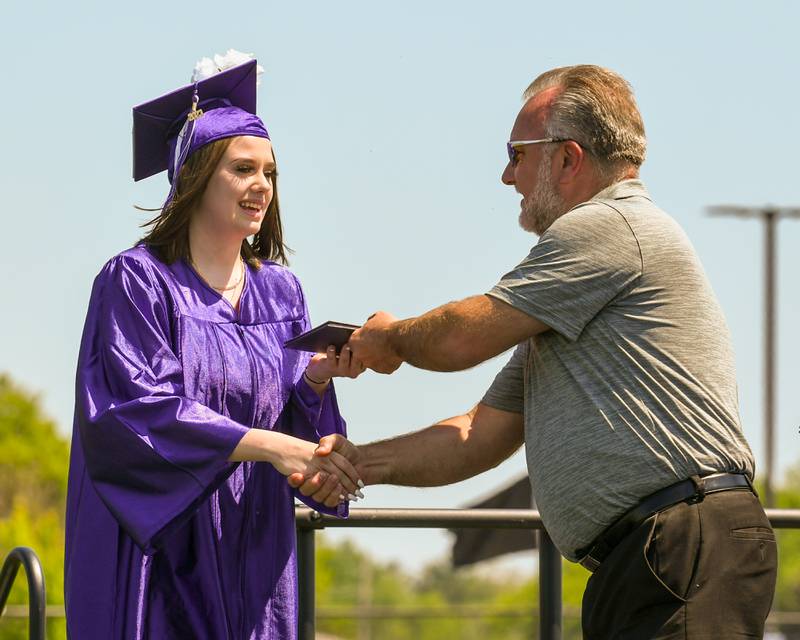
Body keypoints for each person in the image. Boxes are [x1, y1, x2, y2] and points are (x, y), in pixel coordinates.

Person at [290, 65, 778, 638]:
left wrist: (388, 339)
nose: (506, 176)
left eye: (516, 154)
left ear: (568, 158)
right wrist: (356, 462)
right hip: (658, 554)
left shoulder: (609, 224)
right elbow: (479, 435)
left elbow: (461, 337)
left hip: (682, 546)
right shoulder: (570, 302)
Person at [64, 53, 365, 639]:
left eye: (270, 173)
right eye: (243, 169)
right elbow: (138, 414)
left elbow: (293, 428)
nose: (262, 187)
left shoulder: (281, 293)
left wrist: (316, 383)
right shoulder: (137, 282)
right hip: (164, 552)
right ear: (197, 178)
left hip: (255, 551)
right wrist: (274, 446)